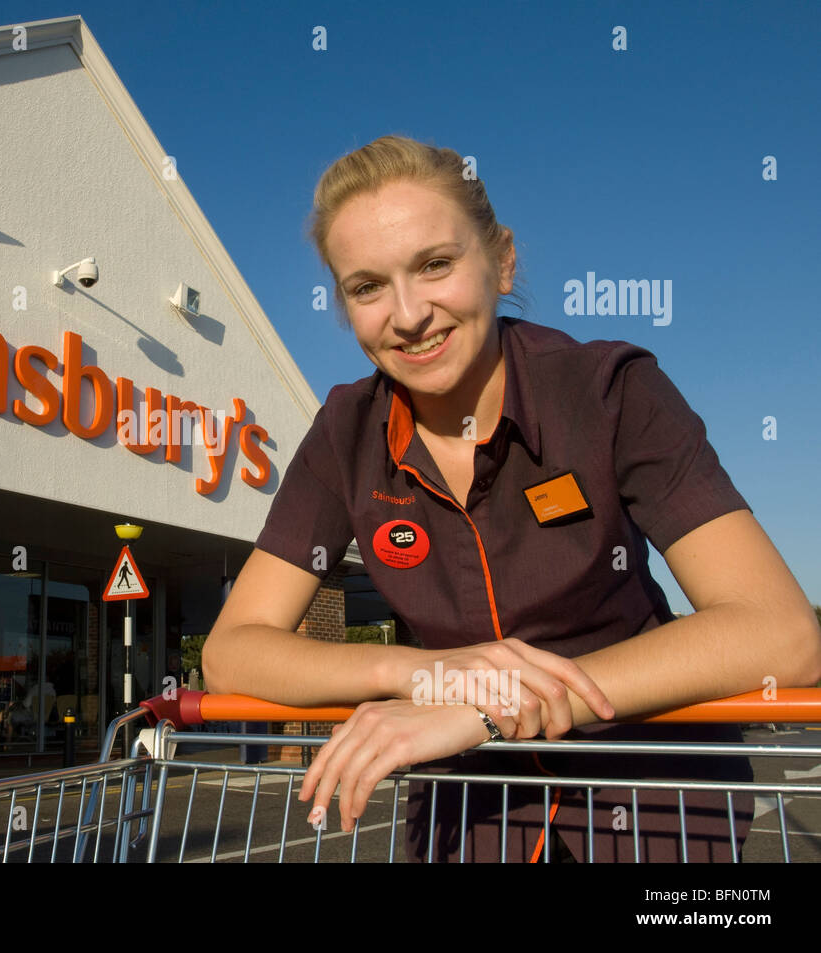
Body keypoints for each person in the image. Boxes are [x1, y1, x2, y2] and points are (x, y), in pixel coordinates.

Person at [201, 135, 821, 862]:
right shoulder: (344, 432)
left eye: (435, 265)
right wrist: (425, 675)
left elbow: (782, 634)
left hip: (653, 811)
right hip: (468, 816)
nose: (407, 314)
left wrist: (489, 708)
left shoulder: (611, 392)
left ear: (502, 260)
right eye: (367, 286)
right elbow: (232, 652)